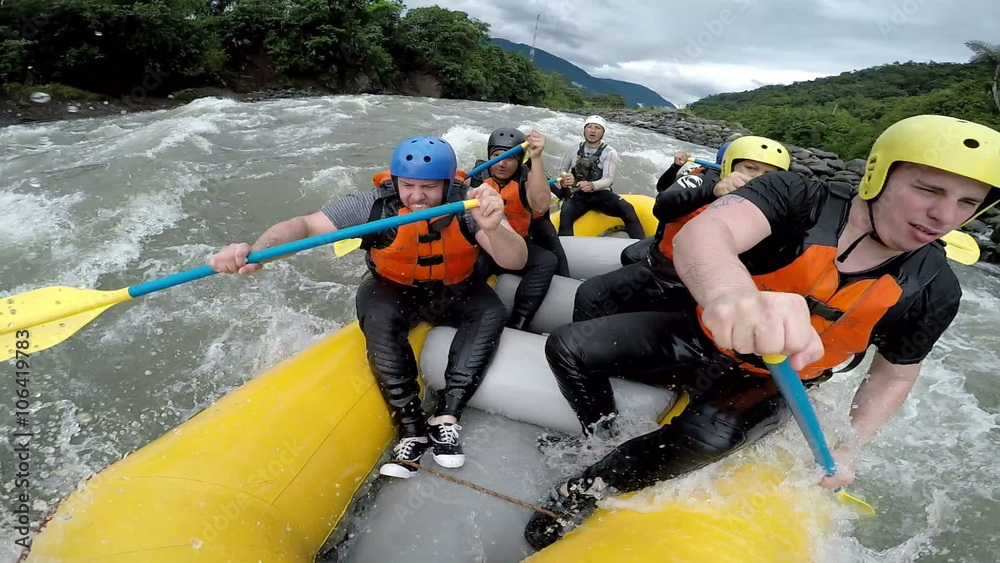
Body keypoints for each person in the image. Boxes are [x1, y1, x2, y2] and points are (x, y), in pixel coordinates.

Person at [524, 115, 1000, 549]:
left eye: (967, 203)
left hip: (775, 380)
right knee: (567, 347)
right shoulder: (799, 197)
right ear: (880, 173)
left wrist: (852, 443)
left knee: (705, 437)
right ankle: (602, 431)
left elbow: (893, 376)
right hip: (703, 333)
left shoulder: (935, 288)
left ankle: (583, 490)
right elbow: (705, 235)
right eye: (929, 190)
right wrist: (734, 298)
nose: (945, 216)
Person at [208, 136, 527, 479]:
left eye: (429, 187)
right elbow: (305, 226)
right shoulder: (372, 205)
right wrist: (259, 252)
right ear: (396, 181)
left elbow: (515, 258)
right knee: (377, 312)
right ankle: (411, 428)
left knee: (490, 311)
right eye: (408, 185)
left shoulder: (471, 204)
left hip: (456, 288)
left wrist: (495, 228)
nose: (417, 196)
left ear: (449, 184)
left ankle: (448, 415)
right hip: (395, 289)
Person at [620, 135, 788, 267]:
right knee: (629, 255)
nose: (758, 178)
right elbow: (663, 193)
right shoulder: (699, 179)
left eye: (768, 174)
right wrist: (676, 168)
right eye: (750, 168)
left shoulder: (774, 204)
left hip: (707, 267)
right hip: (670, 250)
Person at [467, 128, 561, 329]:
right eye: (496, 156)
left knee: (548, 260)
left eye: (509, 158)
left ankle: (519, 320)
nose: (501, 164)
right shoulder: (476, 176)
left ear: (519, 160)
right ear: (489, 155)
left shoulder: (526, 177)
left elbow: (541, 205)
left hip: (516, 245)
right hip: (485, 245)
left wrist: (536, 158)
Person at [556, 115, 646, 239]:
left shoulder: (609, 152)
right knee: (566, 211)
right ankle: (565, 248)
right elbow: (562, 170)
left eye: (597, 128)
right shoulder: (574, 149)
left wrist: (592, 185)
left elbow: (608, 179)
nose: (592, 131)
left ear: (603, 132)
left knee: (627, 208)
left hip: (601, 194)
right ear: (584, 130)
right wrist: (565, 180)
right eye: (589, 127)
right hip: (580, 195)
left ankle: (640, 246)